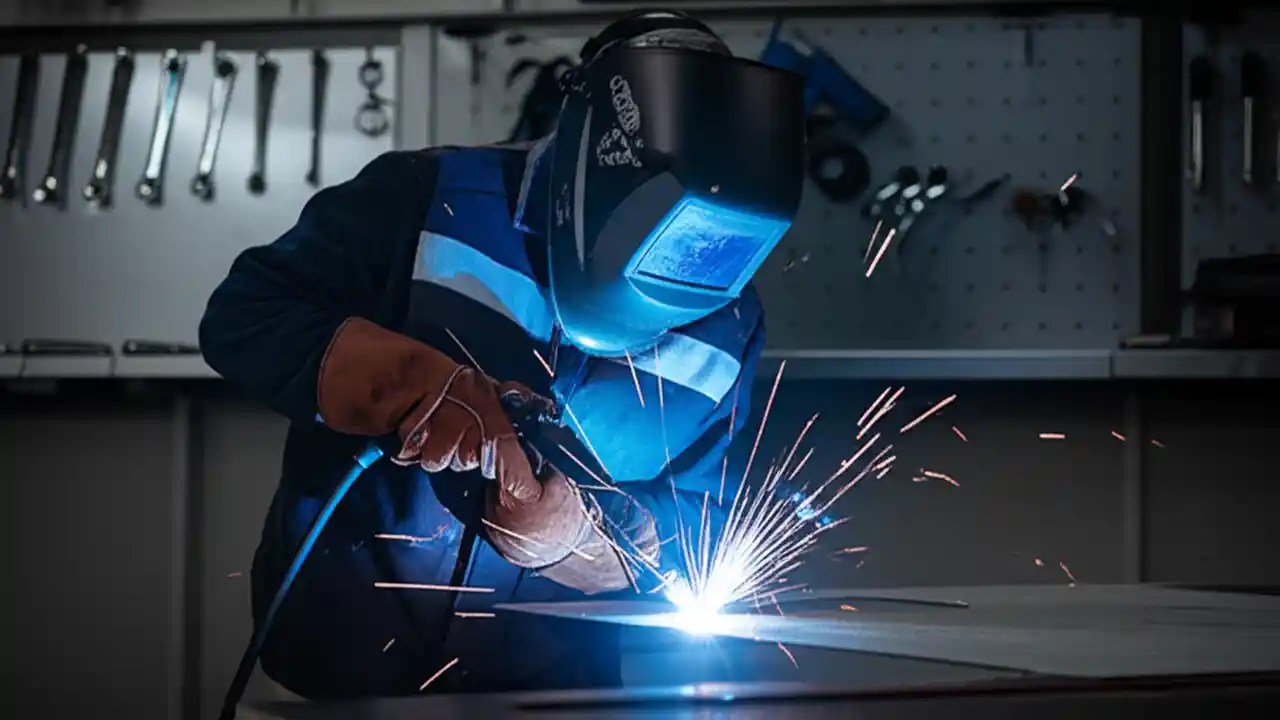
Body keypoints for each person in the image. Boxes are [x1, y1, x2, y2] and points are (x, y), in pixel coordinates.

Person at [200, 9, 803, 699]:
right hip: (341, 667)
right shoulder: (429, 200)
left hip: (548, 691)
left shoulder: (729, 322)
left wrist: (583, 541)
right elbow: (244, 315)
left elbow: (705, 524)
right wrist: (405, 383)